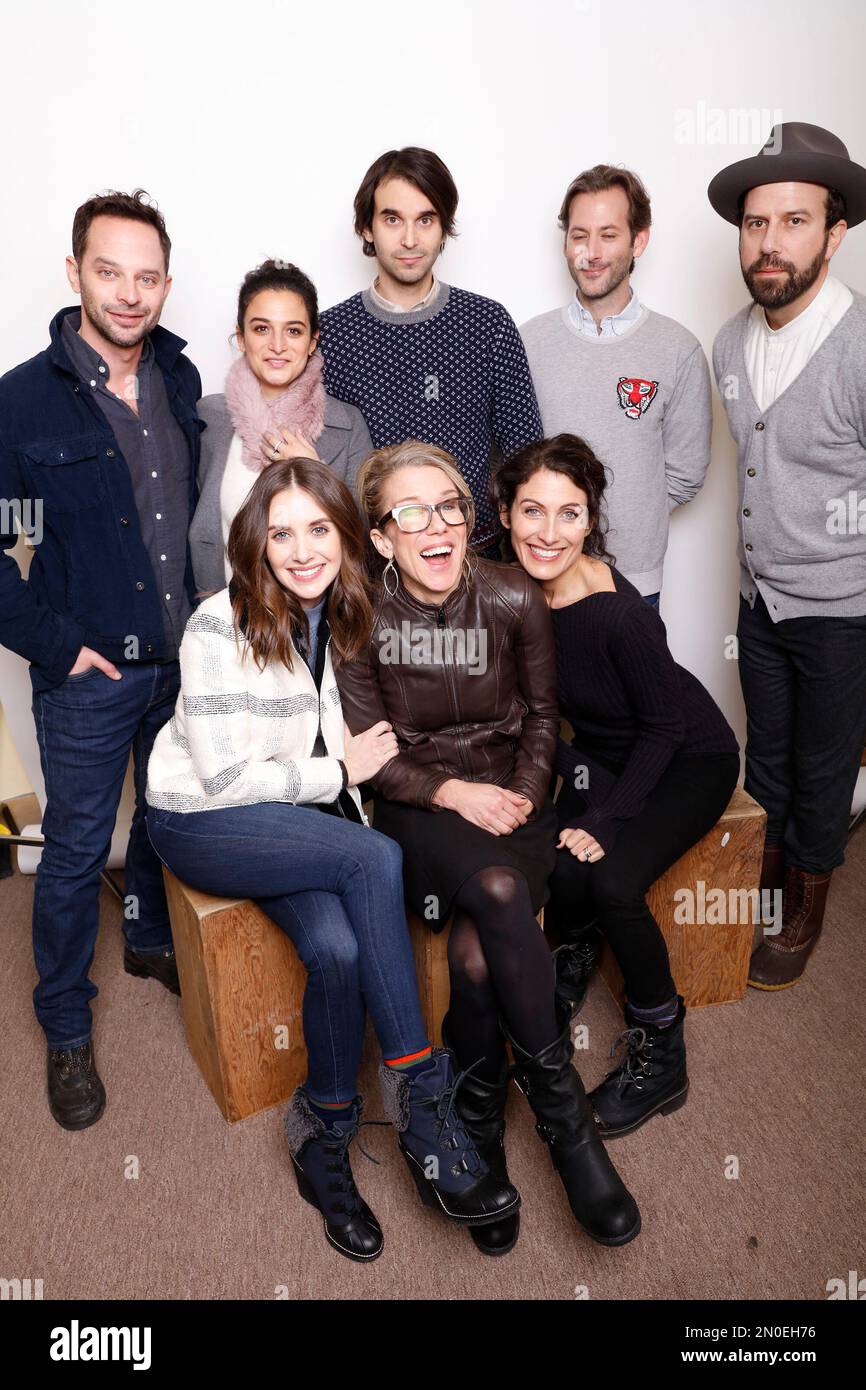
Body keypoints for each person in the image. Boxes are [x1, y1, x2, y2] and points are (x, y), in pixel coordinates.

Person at [146, 456, 518, 1262]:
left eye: (319, 528)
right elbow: (222, 778)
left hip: (298, 818)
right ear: (256, 542)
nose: (303, 549)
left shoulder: (347, 616)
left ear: (347, 536)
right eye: (281, 533)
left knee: (338, 949)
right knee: (373, 859)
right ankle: (421, 1089)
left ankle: (323, 1132)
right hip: (206, 819)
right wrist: (339, 773)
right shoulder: (218, 623)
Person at [335, 438, 641, 1255]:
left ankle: (477, 1120)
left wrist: (523, 797)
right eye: (411, 511)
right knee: (502, 896)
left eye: (450, 506)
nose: (436, 525)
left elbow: (545, 717)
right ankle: (564, 1115)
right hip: (421, 807)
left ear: (470, 520)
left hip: (516, 799)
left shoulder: (512, 596)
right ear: (379, 535)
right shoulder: (358, 614)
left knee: (475, 962)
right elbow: (376, 755)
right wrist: (454, 794)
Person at [0, 189, 202, 1130]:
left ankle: (150, 937)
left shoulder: (184, 379)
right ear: (74, 270)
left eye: (147, 275)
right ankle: (64, 1020)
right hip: (89, 676)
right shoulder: (21, 402)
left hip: (183, 661)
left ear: (167, 281)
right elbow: (5, 549)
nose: (129, 293)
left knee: (166, 816)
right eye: (109, 270)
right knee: (79, 847)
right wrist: (56, 645)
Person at [495, 433, 740, 1139]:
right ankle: (572, 956)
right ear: (506, 514)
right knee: (546, 845)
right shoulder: (509, 581)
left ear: (591, 519)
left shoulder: (618, 614)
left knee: (611, 881)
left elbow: (662, 731)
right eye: (533, 511)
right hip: (603, 750)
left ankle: (662, 1050)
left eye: (570, 514)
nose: (549, 532)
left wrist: (608, 818)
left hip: (689, 754)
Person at [709, 122, 866, 989]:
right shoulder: (733, 341)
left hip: (844, 607)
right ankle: (763, 888)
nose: (770, 242)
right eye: (756, 223)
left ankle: (802, 909)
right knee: (764, 750)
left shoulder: (859, 344)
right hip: (758, 600)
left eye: (794, 222)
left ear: (834, 235)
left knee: (822, 763)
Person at [317, 146, 542, 559]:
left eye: (425, 219)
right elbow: (317, 473)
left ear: (444, 227)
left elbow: (525, 461)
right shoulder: (330, 335)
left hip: (476, 563)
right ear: (367, 228)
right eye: (392, 219)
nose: (409, 239)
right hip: (371, 572)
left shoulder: (487, 324)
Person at [521, 165, 712, 606]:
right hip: (538, 583)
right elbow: (511, 460)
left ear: (638, 240)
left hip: (635, 586)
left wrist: (632, 515)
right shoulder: (528, 342)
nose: (591, 252)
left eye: (608, 235)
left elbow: (684, 473)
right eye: (579, 235)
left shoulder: (678, 349)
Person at [189, 259, 371, 597]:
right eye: (261, 329)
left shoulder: (347, 425)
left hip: (318, 626)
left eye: (293, 330)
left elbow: (364, 540)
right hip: (225, 625)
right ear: (241, 337)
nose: (277, 345)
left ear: (313, 340)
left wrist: (315, 473)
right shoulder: (206, 417)